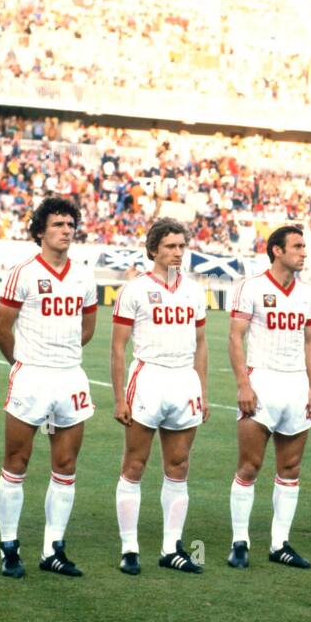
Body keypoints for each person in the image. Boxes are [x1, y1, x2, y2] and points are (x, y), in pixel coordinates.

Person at [0, 196, 98, 578]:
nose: (66, 231)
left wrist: (61, 355)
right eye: (57, 225)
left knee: (66, 466)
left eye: (70, 225)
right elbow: (1, 328)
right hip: (31, 375)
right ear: (40, 232)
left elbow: (87, 328)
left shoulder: (84, 275)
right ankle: (9, 546)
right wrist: (22, 364)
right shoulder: (22, 273)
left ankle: (53, 547)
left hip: (70, 376)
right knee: (16, 464)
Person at [109, 218, 208, 575]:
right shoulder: (134, 290)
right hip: (148, 377)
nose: (177, 252)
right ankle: (130, 547)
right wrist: (120, 397)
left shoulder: (194, 291)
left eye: (182, 246)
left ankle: (171, 547)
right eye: (169, 246)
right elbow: (118, 348)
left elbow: (201, 344)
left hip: (184, 381)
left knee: (178, 466)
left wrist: (202, 389)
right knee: (135, 464)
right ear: (153, 250)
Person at [227, 225, 311, 570]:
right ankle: (240, 541)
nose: (303, 252)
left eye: (304, 246)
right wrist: (243, 385)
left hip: (296, 384)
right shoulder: (251, 288)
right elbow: (235, 338)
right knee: (250, 466)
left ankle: (280, 543)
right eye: (297, 246)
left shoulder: (305, 294)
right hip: (262, 380)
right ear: (277, 250)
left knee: (291, 468)